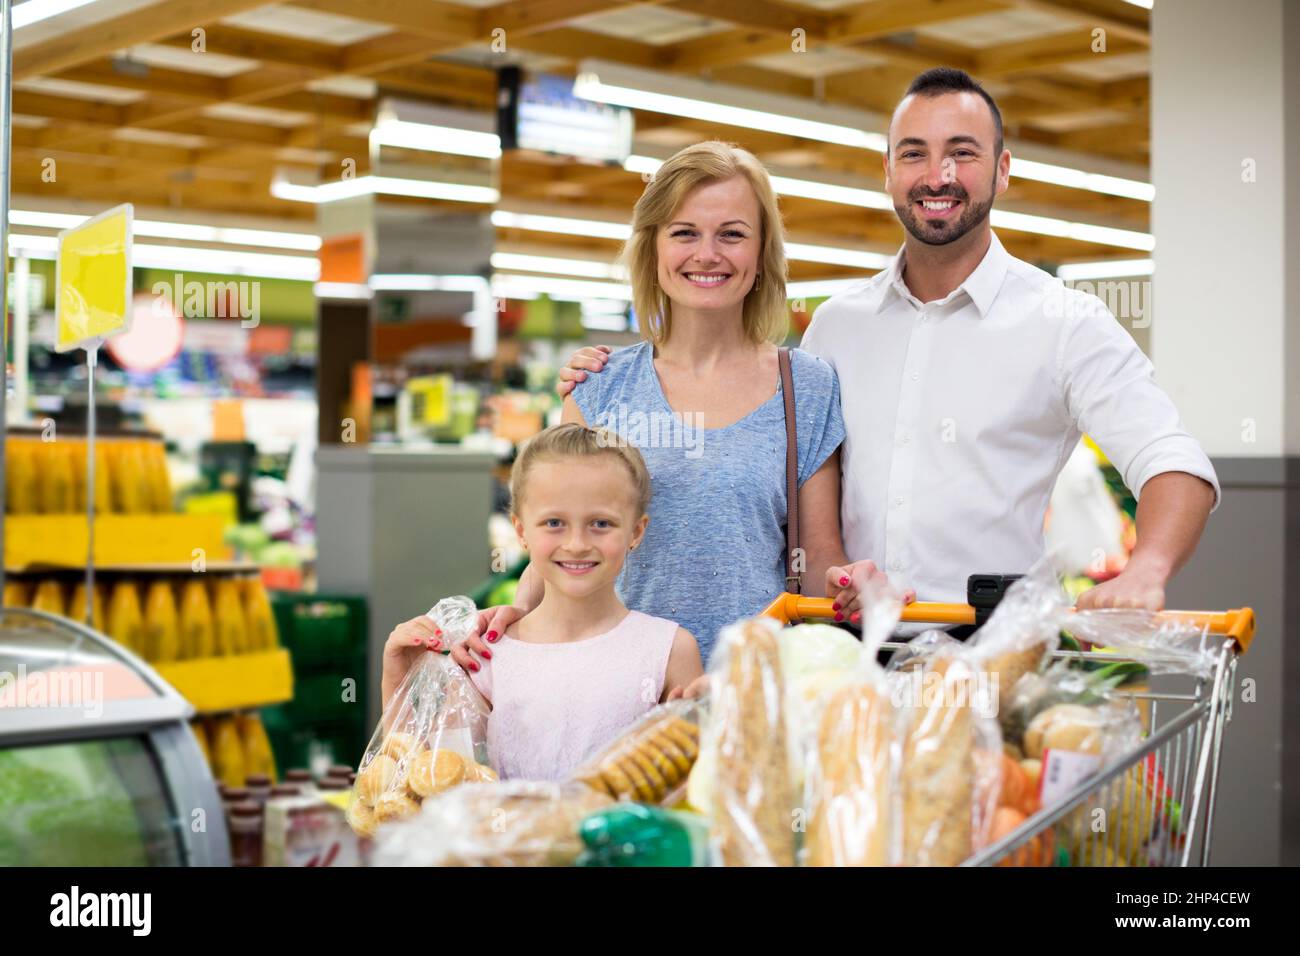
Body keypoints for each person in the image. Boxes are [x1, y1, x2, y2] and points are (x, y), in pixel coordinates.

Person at [559, 68, 1218, 614]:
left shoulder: (1065, 323)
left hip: (991, 648)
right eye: (915, 154)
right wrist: (610, 379)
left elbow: (1170, 458)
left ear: (1003, 168)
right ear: (888, 172)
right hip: (848, 651)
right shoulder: (838, 326)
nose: (939, 175)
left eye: (963, 152)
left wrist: (1146, 569)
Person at [456, 140, 903, 673]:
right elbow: (560, 546)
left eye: (732, 234)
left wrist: (851, 590)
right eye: (684, 232)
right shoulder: (599, 387)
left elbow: (815, 565)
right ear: (654, 249)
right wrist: (514, 611)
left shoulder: (804, 387)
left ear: (761, 255)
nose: (707, 254)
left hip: (746, 698)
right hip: (608, 690)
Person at [381, 424, 702, 781]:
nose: (577, 543)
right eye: (554, 523)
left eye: (600, 523)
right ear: (521, 531)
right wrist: (397, 678)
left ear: (636, 532)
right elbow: (437, 783)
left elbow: (697, 789)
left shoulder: (670, 650)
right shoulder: (489, 654)